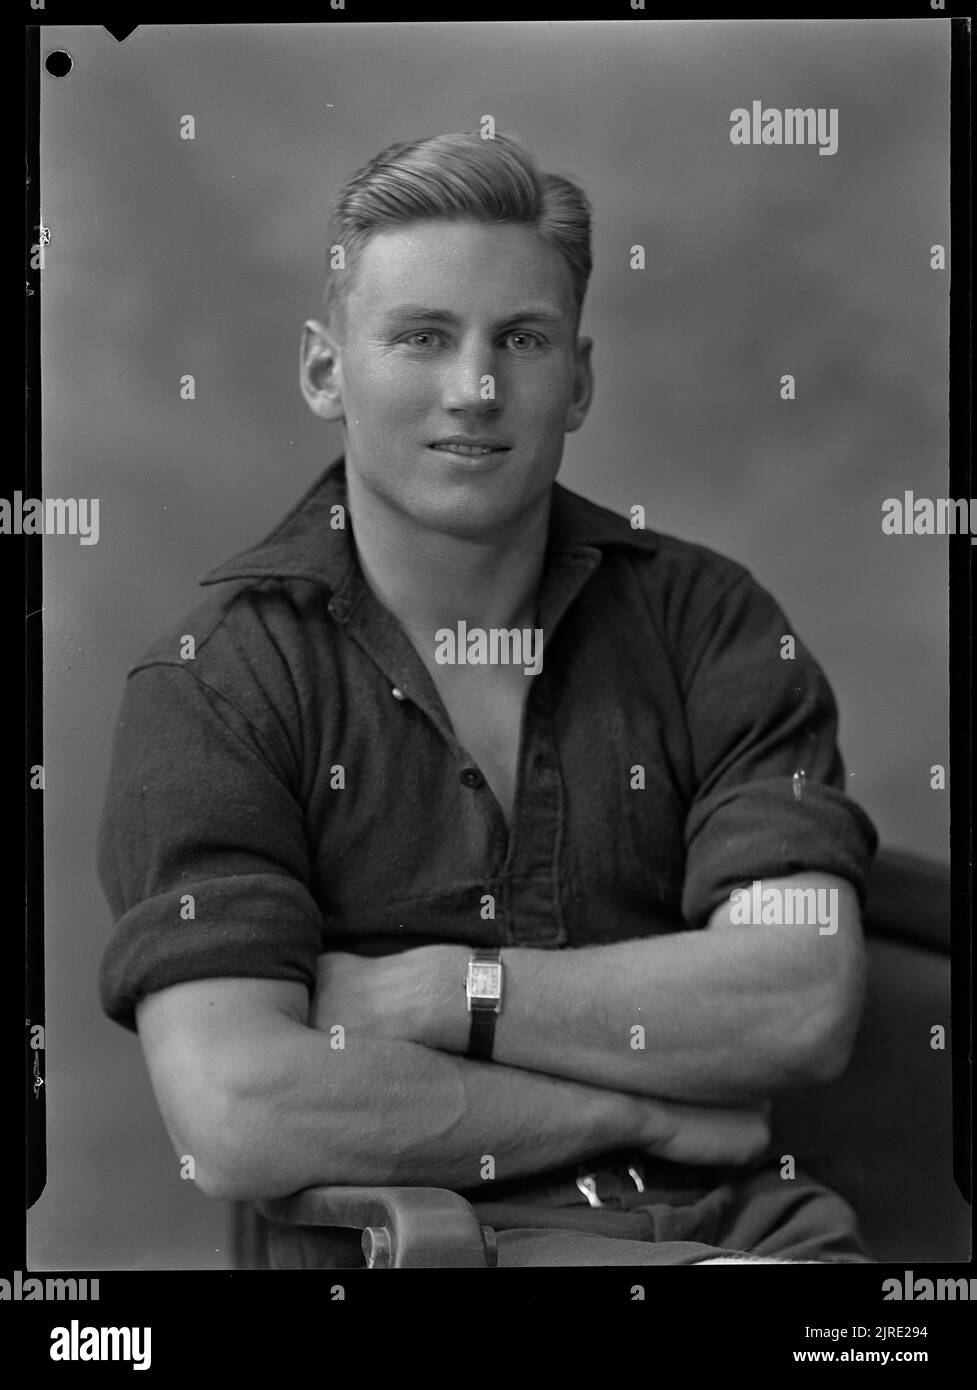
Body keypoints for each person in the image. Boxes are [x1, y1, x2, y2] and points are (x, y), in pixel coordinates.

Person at [97, 131, 879, 1267]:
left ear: (580, 380)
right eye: (422, 336)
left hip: (767, 1250)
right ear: (325, 371)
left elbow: (799, 1000)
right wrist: (641, 1108)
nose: (475, 390)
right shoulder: (215, 682)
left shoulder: (711, 622)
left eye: (522, 339)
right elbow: (240, 1110)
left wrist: (442, 994)